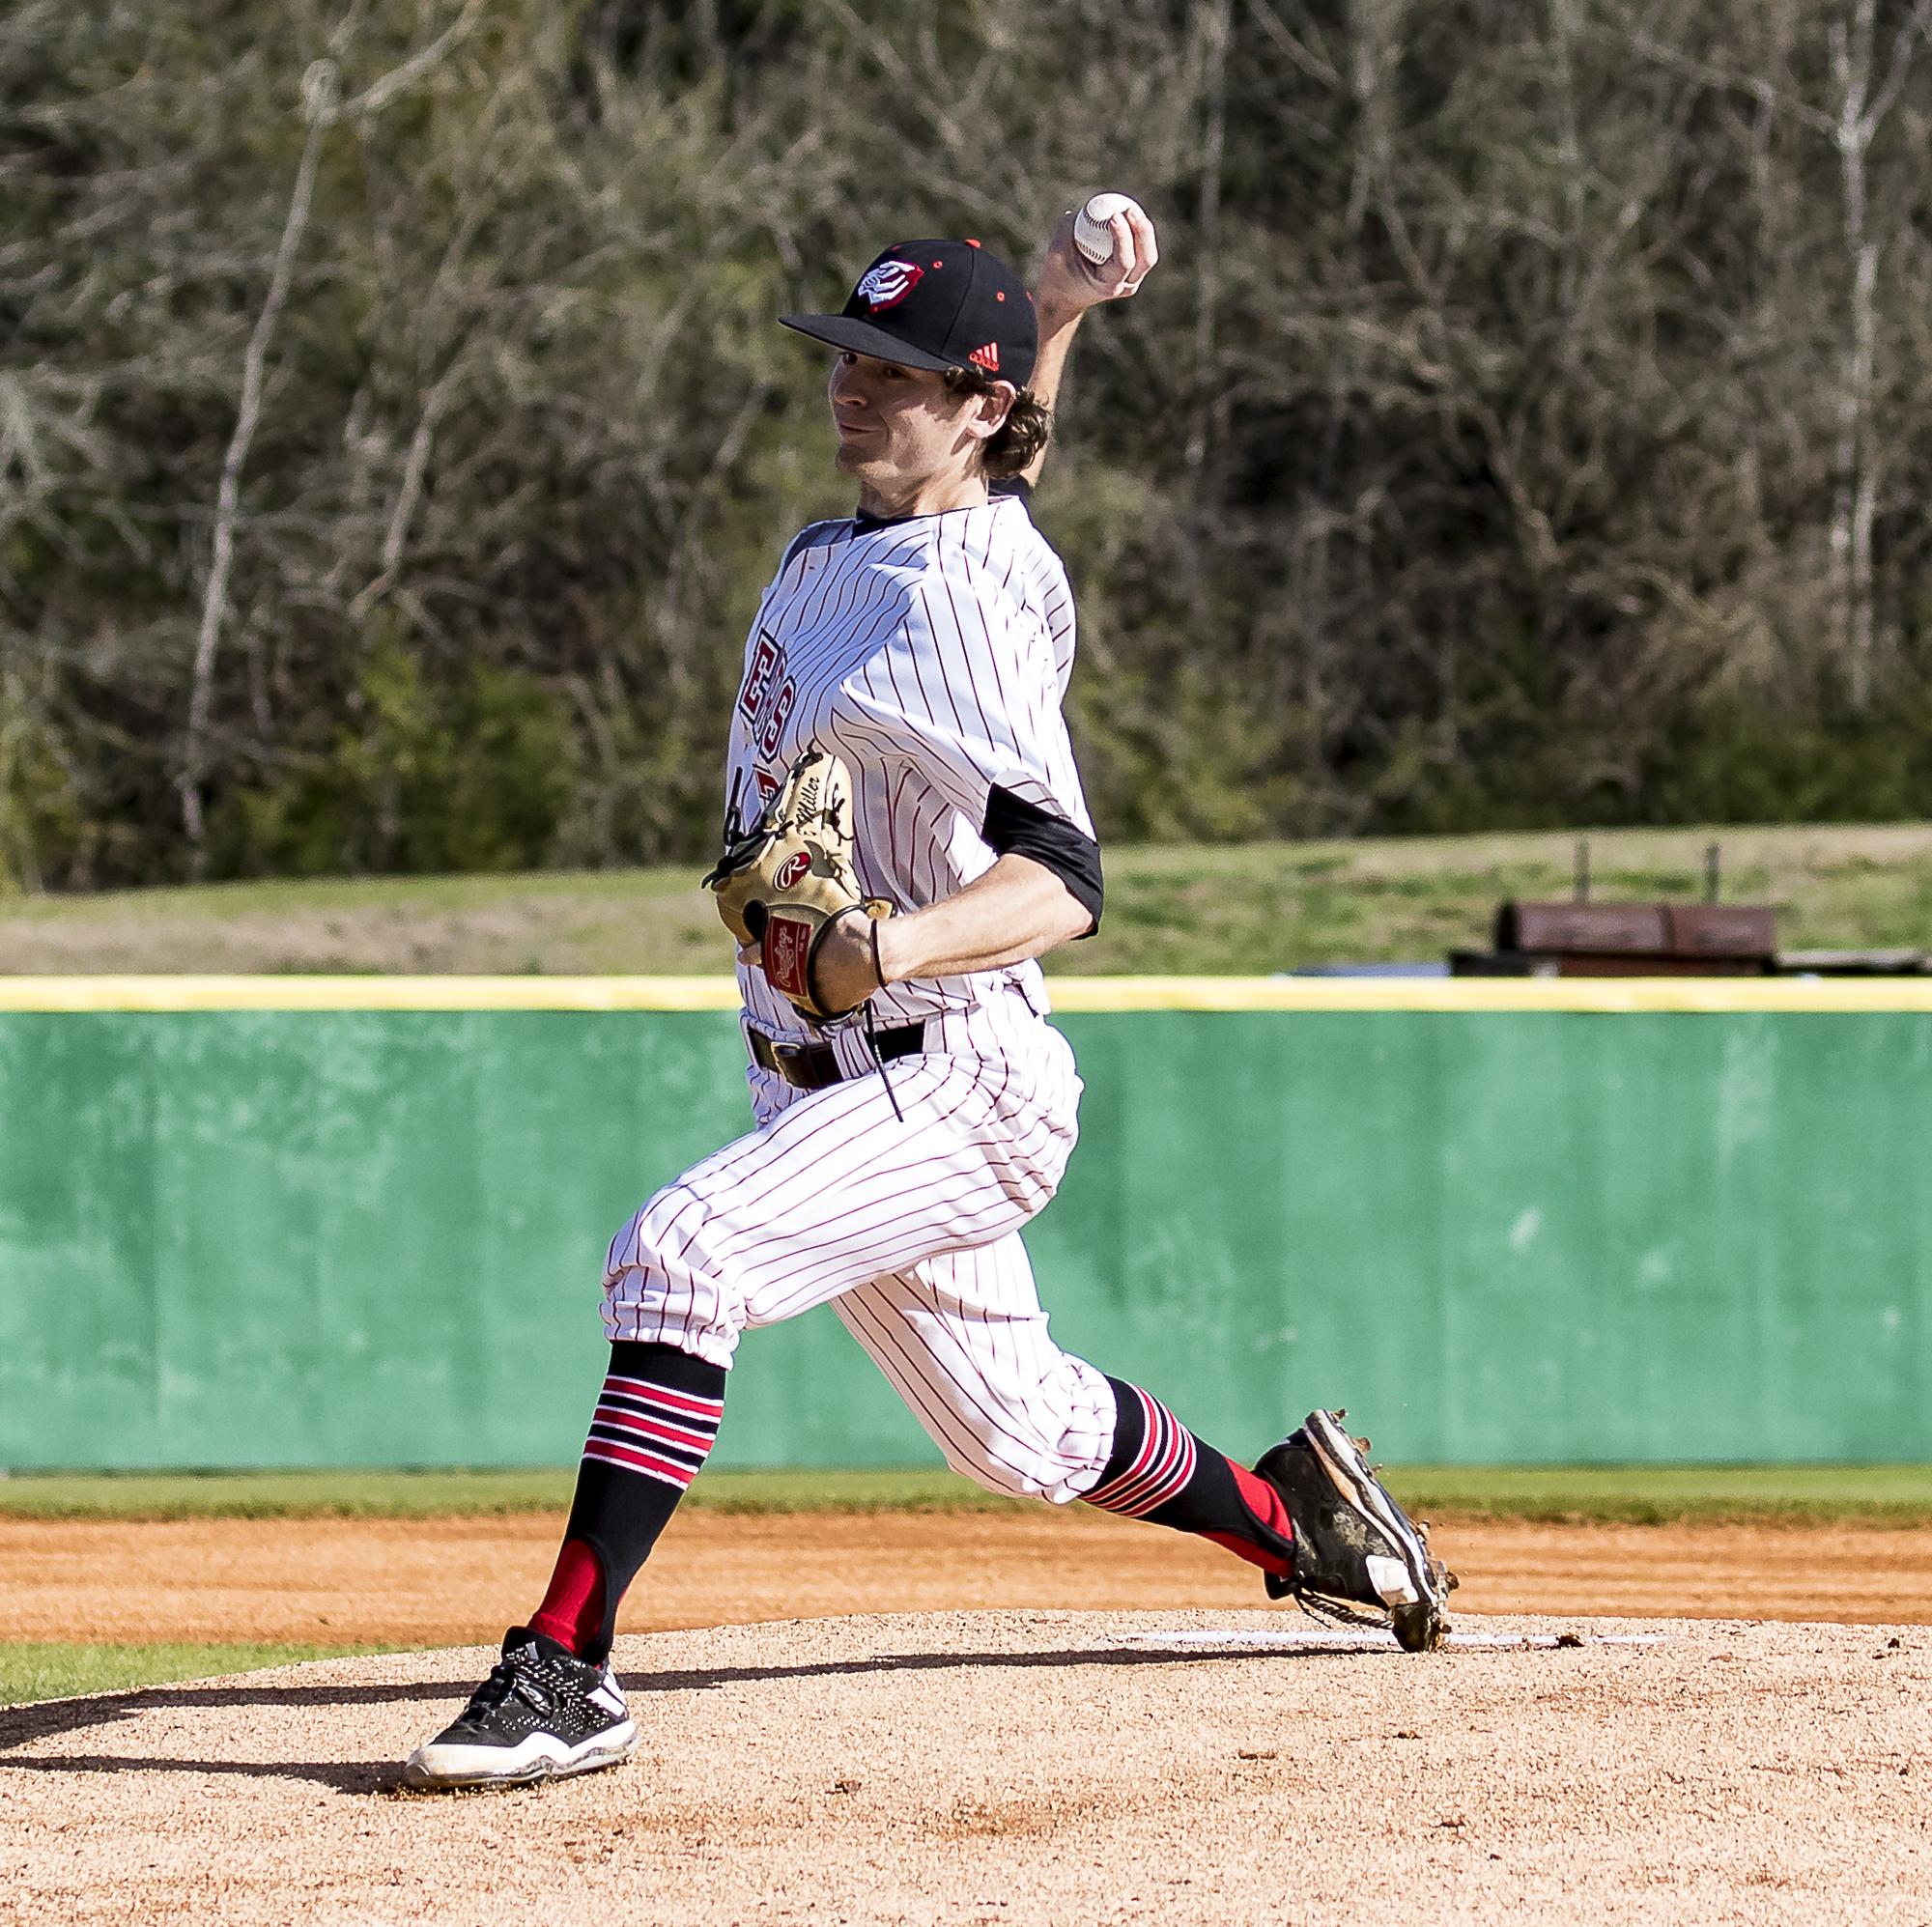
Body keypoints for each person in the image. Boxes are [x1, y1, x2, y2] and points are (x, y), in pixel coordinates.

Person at [404, 206, 1452, 1791]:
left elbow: (1065, 878)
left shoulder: (962, 597)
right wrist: (1063, 310)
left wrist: (875, 946)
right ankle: (1294, 1524)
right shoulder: (866, 543)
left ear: (965, 402)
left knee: (680, 1254)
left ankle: (565, 1667)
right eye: (844, 358)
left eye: (891, 373)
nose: (850, 388)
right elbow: (1003, 474)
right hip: (824, 1076)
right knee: (1017, 1431)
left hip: (953, 1074)